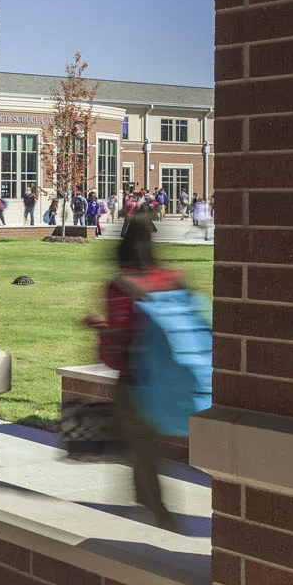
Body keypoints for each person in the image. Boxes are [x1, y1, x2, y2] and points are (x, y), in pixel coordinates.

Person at [84, 212, 183, 531]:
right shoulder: (171, 278)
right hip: (174, 381)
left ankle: (159, 515)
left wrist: (99, 327)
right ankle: (145, 500)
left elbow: (115, 350)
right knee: (146, 449)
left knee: (138, 448)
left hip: (136, 384)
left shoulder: (121, 284)